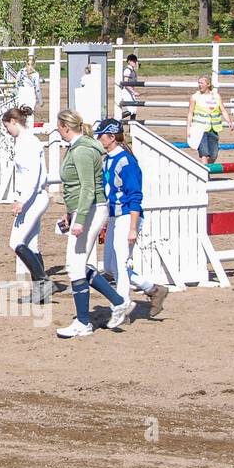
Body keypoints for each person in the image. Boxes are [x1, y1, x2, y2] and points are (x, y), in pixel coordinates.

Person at [54, 109, 128, 338]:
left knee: (74, 266)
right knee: (76, 265)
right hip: (84, 210)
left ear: (66, 127)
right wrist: (70, 214)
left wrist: (80, 219)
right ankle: (117, 301)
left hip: (91, 210)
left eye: (59, 127)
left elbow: (87, 188)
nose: (58, 131)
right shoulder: (79, 148)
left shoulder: (82, 151)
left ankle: (84, 322)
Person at [95, 118, 169, 321]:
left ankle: (120, 309)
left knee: (120, 263)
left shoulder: (125, 161)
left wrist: (133, 227)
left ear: (111, 137)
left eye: (100, 135)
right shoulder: (108, 158)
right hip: (115, 216)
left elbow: (135, 195)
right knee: (111, 266)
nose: (98, 139)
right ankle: (152, 289)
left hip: (128, 216)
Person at [1, 106, 53, 304]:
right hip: (35, 196)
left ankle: (43, 281)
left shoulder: (28, 143)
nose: (7, 131)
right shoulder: (25, 141)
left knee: (15, 242)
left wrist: (21, 200)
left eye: (7, 127)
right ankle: (40, 291)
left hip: (33, 198)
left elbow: (31, 175)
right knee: (31, 244)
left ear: (14, 122)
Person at [186, 75, 234, 165]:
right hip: (199, 129)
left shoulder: (216, 96)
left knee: (213, 155)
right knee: (204, 153)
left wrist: (229, 122)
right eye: (199, 83)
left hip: (213, 128)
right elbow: (190, 113)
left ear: (208, 84)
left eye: (202, 83)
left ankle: (204, 169)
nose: (199, 85)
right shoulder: (194, 97)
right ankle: (205, 174)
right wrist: (188, 129)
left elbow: (223, 110)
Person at [119, 54, 140, 121]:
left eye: (135, 61)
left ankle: (132, 128)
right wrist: (133, 92)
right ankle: (117, 119)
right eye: (133, 61)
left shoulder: (132, 70)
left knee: (134, 110)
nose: (135, 63)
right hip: (126, 91)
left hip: (129, 91)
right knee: (131, 110)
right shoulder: (127, 70)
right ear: (129, 61)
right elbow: (126, 83)